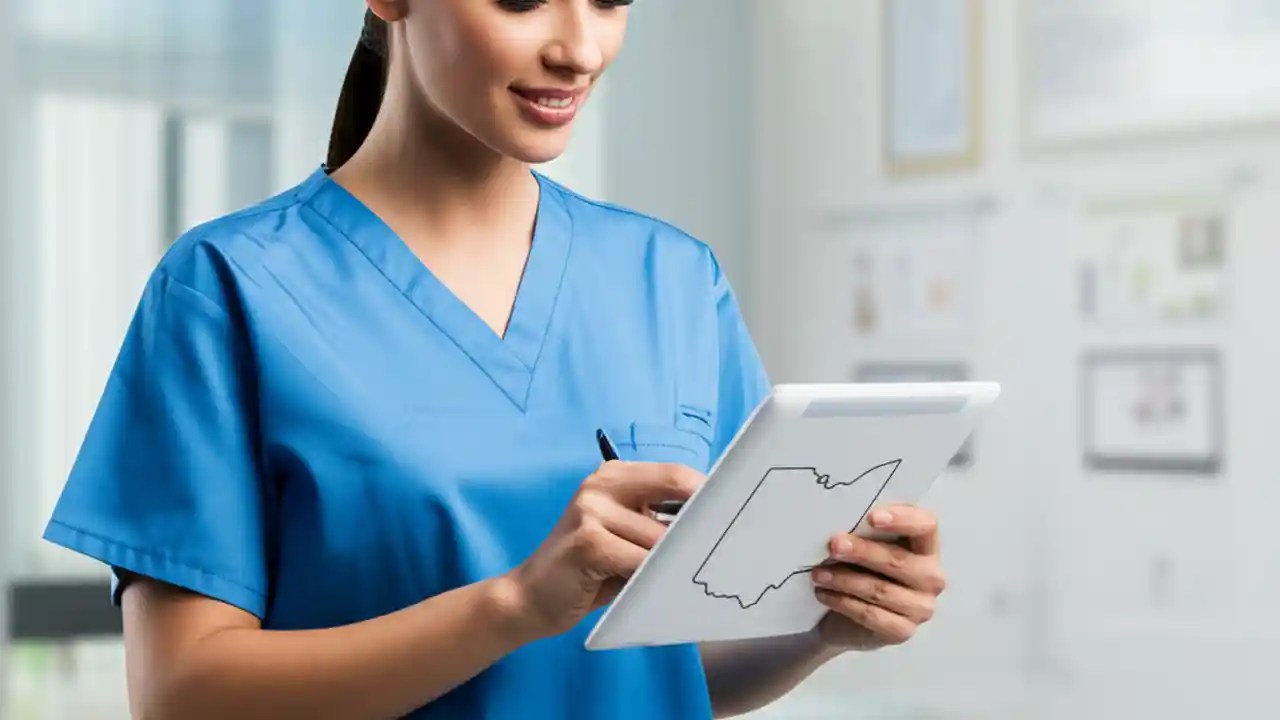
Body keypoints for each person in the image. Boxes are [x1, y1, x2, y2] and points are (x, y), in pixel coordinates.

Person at [42, 1, 949, 718]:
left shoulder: (673, 279)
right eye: (521, 0)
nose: (580, 49)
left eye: (610, 1)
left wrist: (823, 626)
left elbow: (669, 669)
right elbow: (183, 695)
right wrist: (514, 607)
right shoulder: (230, 287)